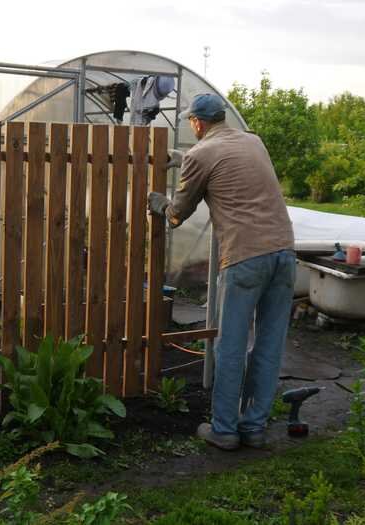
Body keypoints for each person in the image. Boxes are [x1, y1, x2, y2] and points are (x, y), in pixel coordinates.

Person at [147, 93, 295, 450]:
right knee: (269, 344)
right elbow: (227, 165)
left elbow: (178, 213)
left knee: (229, 345)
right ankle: (253, 427)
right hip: (284, 253)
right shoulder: (252, 141)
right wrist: (180, 160)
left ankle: (225, 430)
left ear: (197, 122)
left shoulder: (200, 154)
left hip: (245, 257)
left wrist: (159, 204)